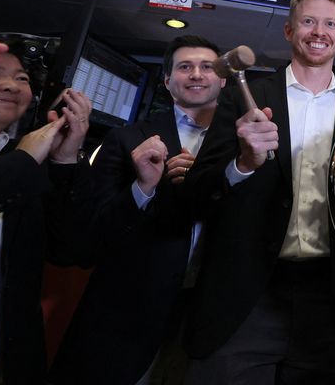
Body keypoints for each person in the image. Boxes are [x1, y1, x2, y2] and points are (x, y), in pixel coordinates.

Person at [183, 0, 335, 384]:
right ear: (289, 30)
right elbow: (197, 192)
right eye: (308, 21)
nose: (319, 32)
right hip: (248, 294)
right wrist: (243, 163)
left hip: (331, 296)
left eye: (330, 24)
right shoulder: (244, 100)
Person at [49, 35, 226, 385]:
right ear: (167, 81)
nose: (196, 74)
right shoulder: (126, 138)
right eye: (185, 67)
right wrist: (142, 187)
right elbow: (92, 233)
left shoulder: (243, 143)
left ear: (222, 79)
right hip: (127, 306)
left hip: (208, 309)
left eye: (207, 67)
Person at [0, 39, 91, 385]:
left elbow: (68, 250)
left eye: (22, 78)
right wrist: (25, 160)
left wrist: (64, 160)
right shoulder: (22, 164)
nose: (11, 86)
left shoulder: (24, 166)